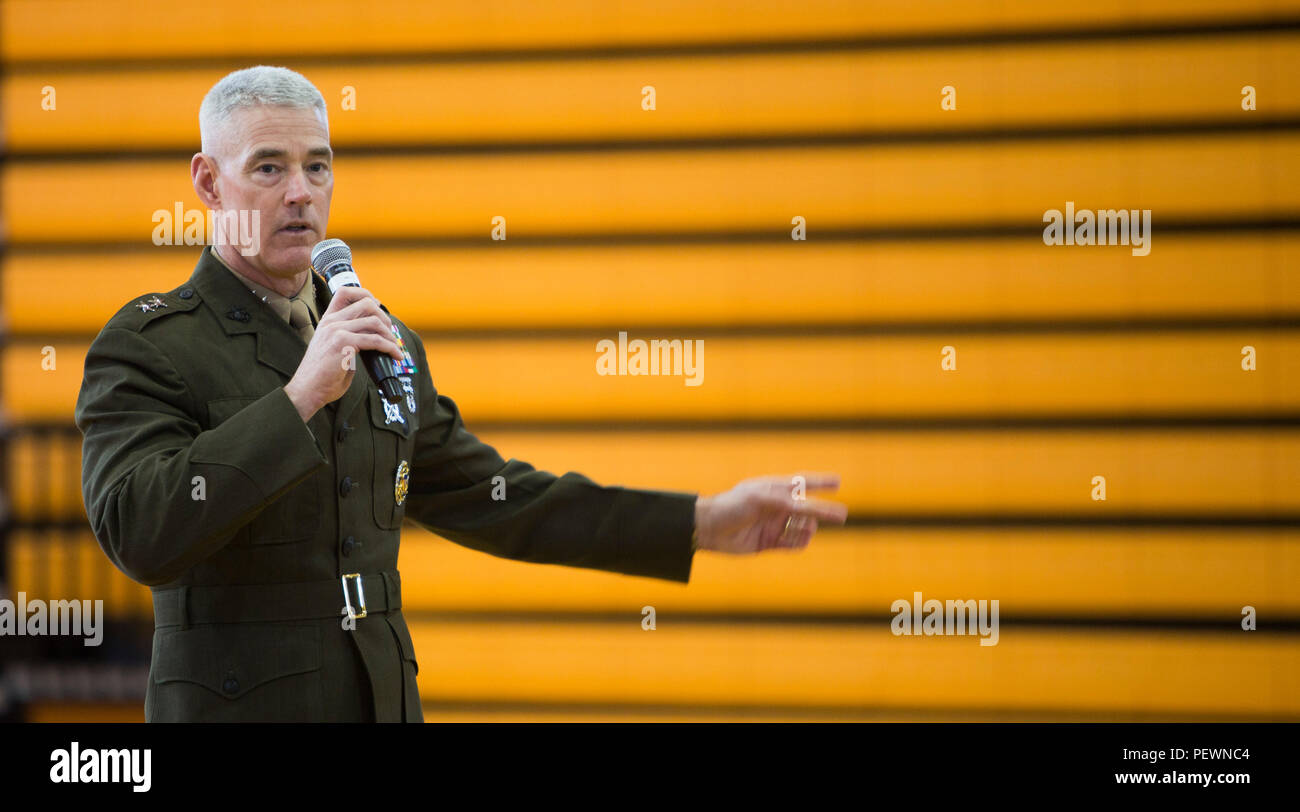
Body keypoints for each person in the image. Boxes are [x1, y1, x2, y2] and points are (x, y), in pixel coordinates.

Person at [74, 66, 848, 722]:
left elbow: (501, 498)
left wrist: (701, 521)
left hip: (381, 701)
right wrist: (298, 399)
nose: (303, 193)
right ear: (209, 182)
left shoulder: (380, 341)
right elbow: (139, 533)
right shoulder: (151, 345)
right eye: (269, 168)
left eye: (319, 166)